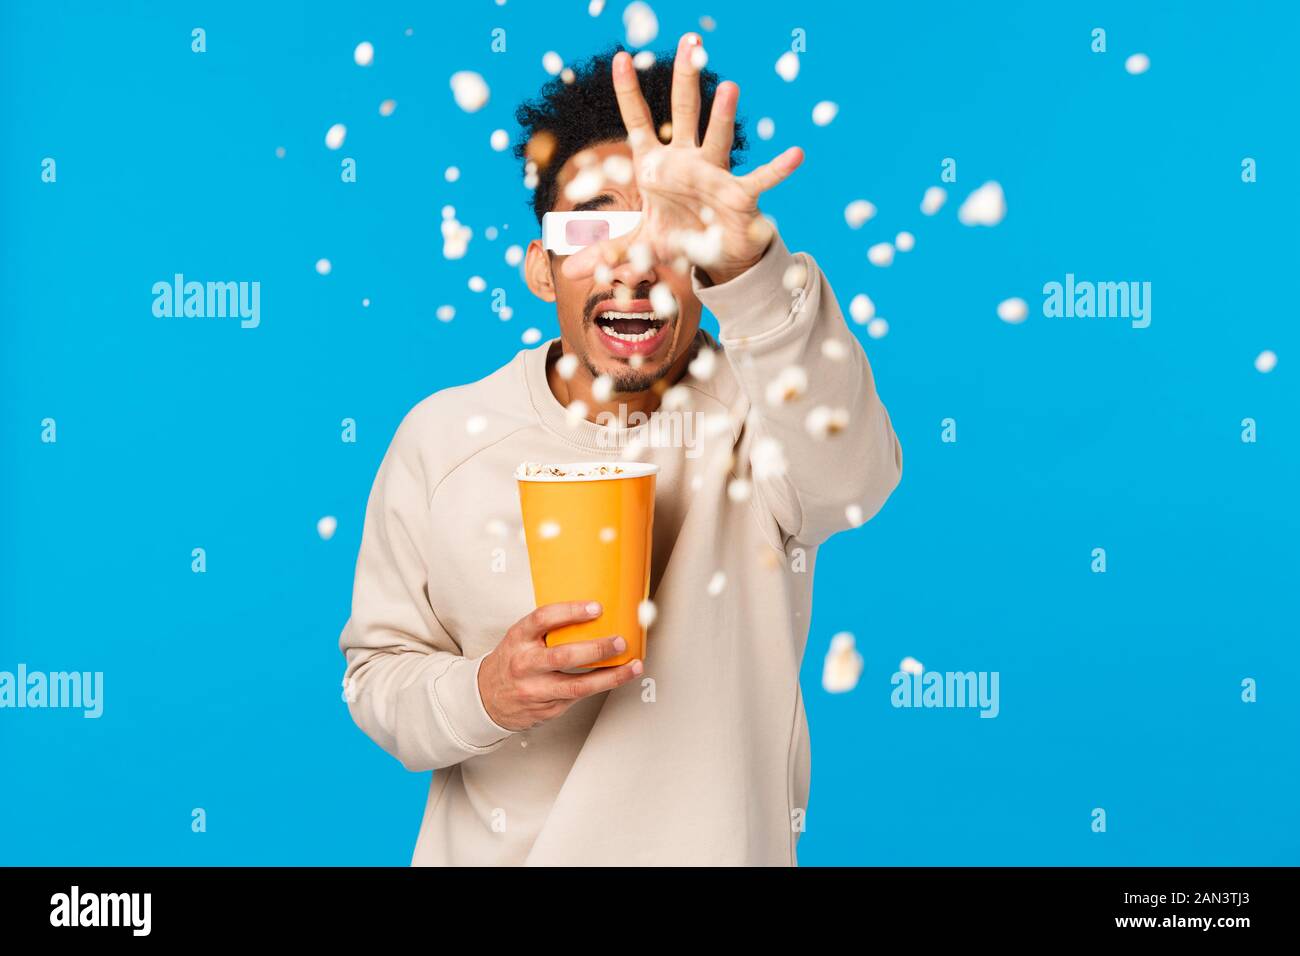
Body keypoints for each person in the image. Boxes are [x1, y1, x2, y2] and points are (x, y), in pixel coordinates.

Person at [339, 32, 902, 865]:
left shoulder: (761, 414)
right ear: (541, 268)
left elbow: (854, 479)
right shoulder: (441, 437)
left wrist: (751, 265)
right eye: (590, 225)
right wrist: (484, 694)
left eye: (668, 233)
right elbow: (378, 678)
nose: (632, 263)